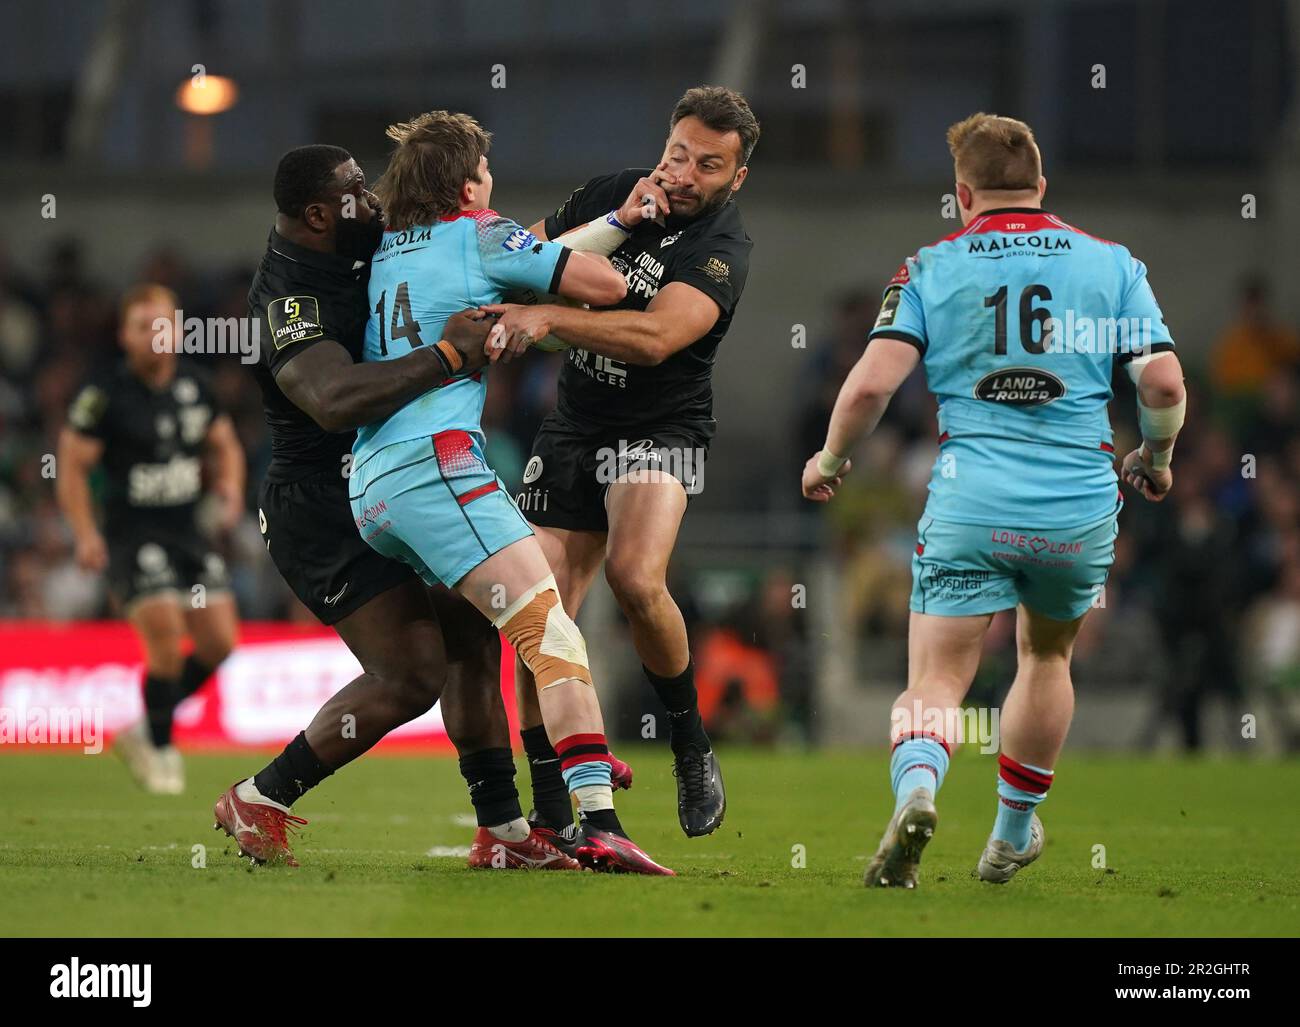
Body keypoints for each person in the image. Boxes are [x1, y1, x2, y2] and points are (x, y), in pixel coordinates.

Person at [801, 113, 1187, 888]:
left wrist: (831, 456)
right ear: (1042, 188)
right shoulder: (1112, 264)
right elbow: (1164, 382)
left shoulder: (930, 266)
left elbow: (873, 382)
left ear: (962, 193)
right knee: (1045, 654)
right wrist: (1158, 455)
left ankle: (917, 792)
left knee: (937, 677)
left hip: (970, 496)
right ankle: (1010, 835)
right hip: (1076, 501)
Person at [217, 144, 577, 870]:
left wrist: (591, 223)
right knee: (412, 671)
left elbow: (475, 249)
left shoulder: (362, 240)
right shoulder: (290, 297)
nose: (374, 198)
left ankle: (503, 834)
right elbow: (332, 399)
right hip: (319, 505)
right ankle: (262, 793)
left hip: (394, 478)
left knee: (476, 630)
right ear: (319, 214)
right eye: (356, 189)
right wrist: (448, 356)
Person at [347, 110, 672, 874]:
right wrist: (580, 268)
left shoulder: (390, 250)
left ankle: (510, 821)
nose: (491, 181)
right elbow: (607, 283)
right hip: (440, 465)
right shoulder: (480, 233)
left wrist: (611, 218)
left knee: (472, 649)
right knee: (551, 635)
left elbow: (524, 258)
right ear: (468, 185)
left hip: (373, 484)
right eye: (485, 172)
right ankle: (595, 815)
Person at [482, 85, 758, 839]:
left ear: (736, 179)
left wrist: (550, 316)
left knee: (635, 577)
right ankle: (546, 804)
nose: (683, 173)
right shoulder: (612, 194)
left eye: (708, 165)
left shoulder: (722, 249)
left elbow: (656, 337)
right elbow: (520, 257)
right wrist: (606, 225)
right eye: (677, 154)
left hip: (661, 429)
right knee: (539, 607)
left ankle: (690, 741)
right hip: (576, 421)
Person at [57, 283, 244, 794]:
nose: (156, 336)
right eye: (144, 326)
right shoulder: (104, 394)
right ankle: (161, 748)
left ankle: (143, 728)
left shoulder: (197, 387)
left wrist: (229, 487)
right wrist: (85, 533)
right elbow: (72, 465)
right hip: (132, 534)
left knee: (219, 642)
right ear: (125, 335)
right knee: (163, 633)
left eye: (164, 324)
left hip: (188, 531)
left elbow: (224, 444)